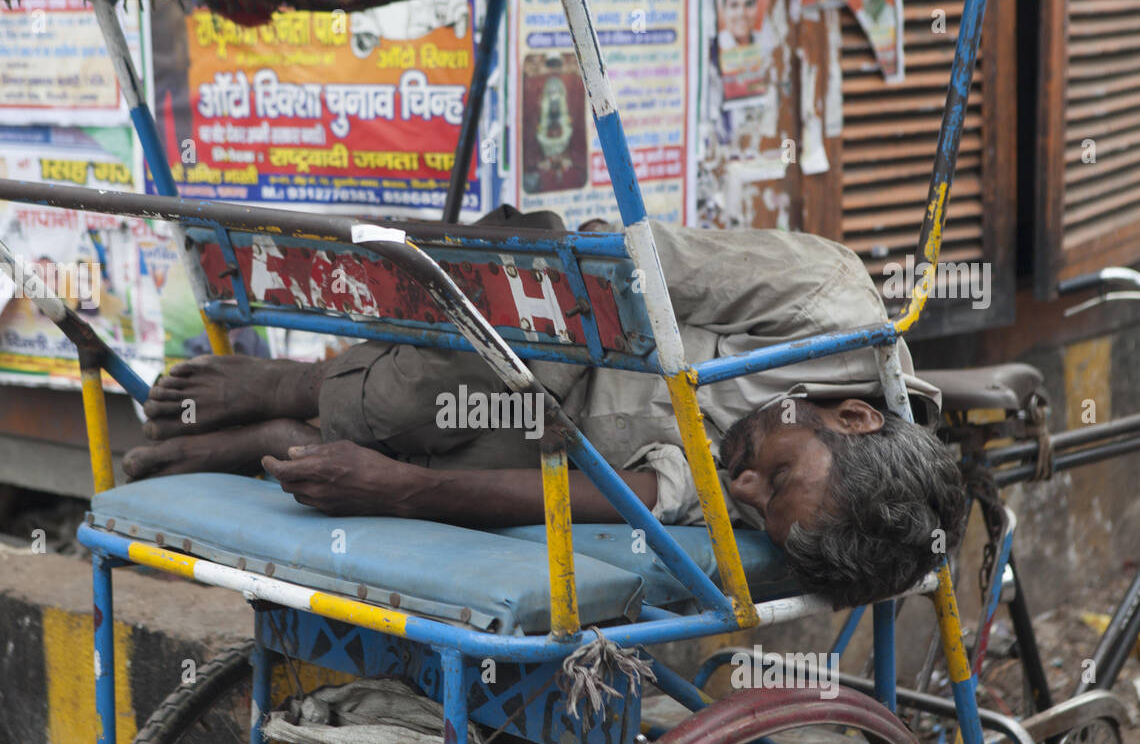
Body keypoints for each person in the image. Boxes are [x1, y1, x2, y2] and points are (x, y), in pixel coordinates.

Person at [123, 208, 966, 609]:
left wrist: (396, 492)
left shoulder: (779, 481)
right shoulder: (828, 299)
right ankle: (290, 390)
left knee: (474, 462)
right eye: (773, 479)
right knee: (458, 375)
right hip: (557, 311)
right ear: (854, 416)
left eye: (756, 509)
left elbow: (641, 490)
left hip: (572, 427)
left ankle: (293, 433)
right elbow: (625, 266)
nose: (742, 492)